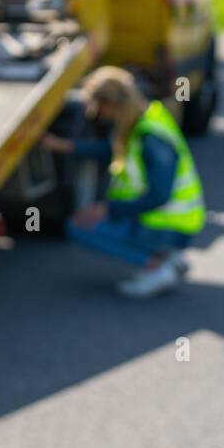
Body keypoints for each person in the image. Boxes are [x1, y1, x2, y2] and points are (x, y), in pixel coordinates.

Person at [42, 66, 205, 298]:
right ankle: (169, 256)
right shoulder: (146, 119)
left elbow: (159, 195)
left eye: (99, 107)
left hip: (168, 223)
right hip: (172, 220)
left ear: (111, 104)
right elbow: (113, 150)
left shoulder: (152, 139)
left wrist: (107, 208)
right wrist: (64, 146)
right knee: (92, 218)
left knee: (78, 226)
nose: (97, 113)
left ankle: (157, 265)